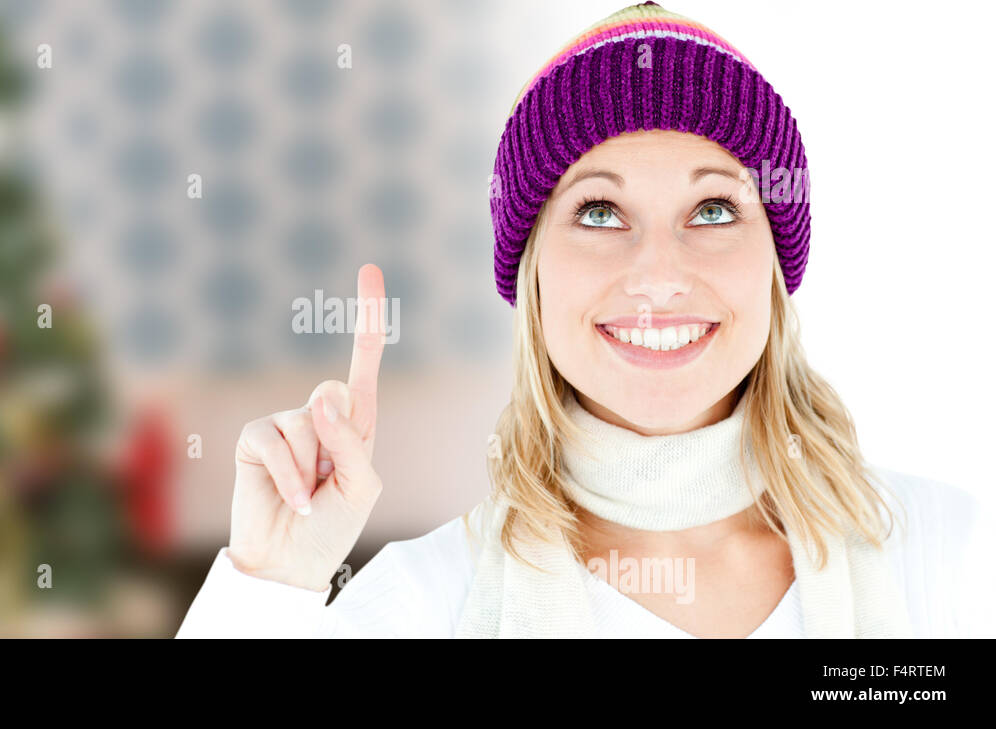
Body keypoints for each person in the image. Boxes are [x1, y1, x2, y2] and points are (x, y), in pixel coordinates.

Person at [176, 1, 994, 638]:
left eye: (713, 208)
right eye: (599, 212)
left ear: (774, 264)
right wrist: (267, 586)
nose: (659, 277)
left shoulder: (949, 556)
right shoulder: (425, 601)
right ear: (532, 273)